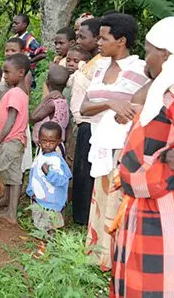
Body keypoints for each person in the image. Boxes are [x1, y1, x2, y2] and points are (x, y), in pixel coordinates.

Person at [111, 16, 174, 297]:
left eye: (149, 51)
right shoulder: (169, 86)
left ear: (167, 54)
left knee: (165, 287)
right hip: (152, 207)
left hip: (172, 210)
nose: (146, 59)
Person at [80, 13, 148, 271]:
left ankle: (117, 261)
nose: (99, 42)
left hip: (124, 147)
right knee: (100, 201)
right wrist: (110, 103)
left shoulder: (140, 69)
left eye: (104, 38)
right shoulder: (99, 67)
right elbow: (85, 107)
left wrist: (127, 107)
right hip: (101, 144)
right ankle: (98, 257)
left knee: (118, 204)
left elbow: (148, 103)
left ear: (121, 41)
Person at [69, 17, 103, 225]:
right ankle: (81, 217)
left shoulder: (100, 65)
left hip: (93, 124)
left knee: (87, 171)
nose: (78, 40)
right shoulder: (89, 62)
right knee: (81, 171)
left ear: (98, 38)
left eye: (83, 37)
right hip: (84, 124)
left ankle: (86, 218)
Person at [0, 53, 30, 225]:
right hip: (17, 141)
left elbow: (11, 119)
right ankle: (11, 214)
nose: (5, 76)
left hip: (8, 142)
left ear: (21, 73)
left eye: (7, 72)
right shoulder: (22, 92)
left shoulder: (14, 92)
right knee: (15, 178)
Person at [27, 121, 72, 236]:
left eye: (51, 142)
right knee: (40, 222)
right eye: (44, 141)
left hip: (53, 202)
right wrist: (31, 191)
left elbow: (64, 179)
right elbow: (34, 174)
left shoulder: (57, 161)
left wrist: (49, 173)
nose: (47, 144)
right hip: (39, 199)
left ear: (59, 142)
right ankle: (43, 242)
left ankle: (51, 243)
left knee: (51, 224)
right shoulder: (40, 156)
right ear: (39, 140)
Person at [30, 64, 69, 157]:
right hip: (57, 144)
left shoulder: (51, 104)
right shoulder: (64, 101)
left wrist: (45, 98)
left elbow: (33, 117)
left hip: (47, 147)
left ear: (47, 83)